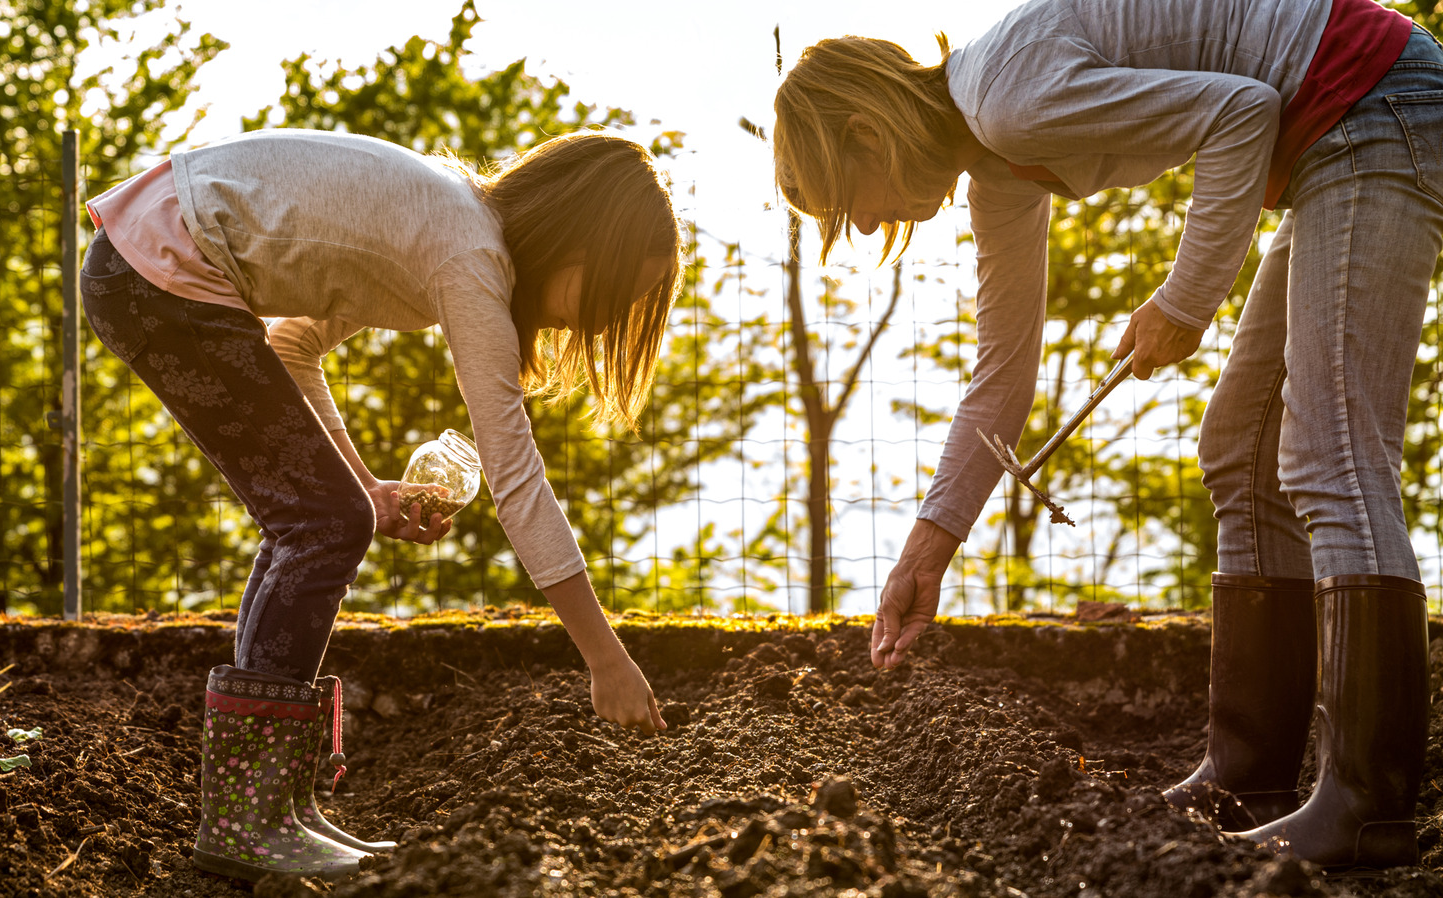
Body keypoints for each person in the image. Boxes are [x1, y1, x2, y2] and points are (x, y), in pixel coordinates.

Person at [772, 0, 1441, 872]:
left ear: (868, 131)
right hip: (1334, 130)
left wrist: (1183, 302)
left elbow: (1241, 111)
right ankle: (1250, 775)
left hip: (1374, 100)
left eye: (843, 203)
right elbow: (1001, 376)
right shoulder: (998, 163)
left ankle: (1365, 804)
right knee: (1240, 446)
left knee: (1332, 450)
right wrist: (925, 553)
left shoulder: (1005, 98)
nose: (861, 229)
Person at [80, 128, 678, 882]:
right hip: (161, 272)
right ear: (575, 244)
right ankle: (250, 819)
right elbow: (515, 474)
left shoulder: (445, 225)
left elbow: (294, 345)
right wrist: (606, 660)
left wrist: (364, 488)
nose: (597, 324)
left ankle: (277, 812)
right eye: (612, 295)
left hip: (152, 264)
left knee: (326, 516)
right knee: (320, 524)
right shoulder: (470, 252)